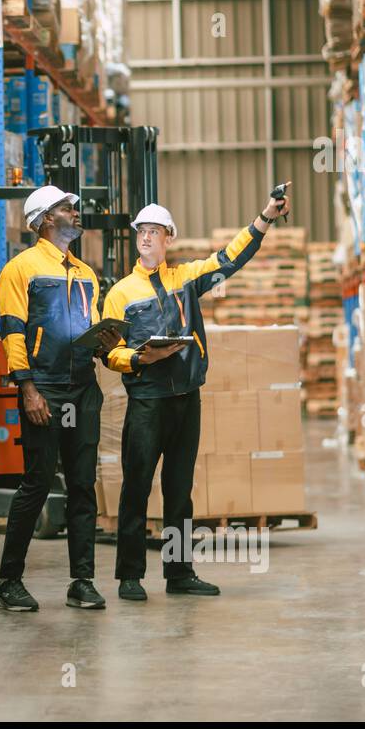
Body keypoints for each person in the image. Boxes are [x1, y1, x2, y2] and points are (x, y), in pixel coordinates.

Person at [101, 186, 292, 600]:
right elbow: (108, 350)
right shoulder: (120, 293)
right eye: (141, 232)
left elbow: (229, 259)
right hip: (147, 402)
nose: (146, 238)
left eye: (154, 231)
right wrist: (138, 360)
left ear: (169, 238)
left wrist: (265, 217)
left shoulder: (186, 278)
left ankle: (179, 573)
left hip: (187, 398)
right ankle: (129, 576)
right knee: (135, 487)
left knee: (180, 489)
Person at [0, 185, 123, 612]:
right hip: (44, 389)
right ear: (47, 219)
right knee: (37, 483)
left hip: (83, 387)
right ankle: (8, 581)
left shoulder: (85, 273)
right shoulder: (20, 269)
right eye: (68, 208)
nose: (76, 212)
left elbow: (87, 331)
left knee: (84, 486)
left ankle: (81, 581)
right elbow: (12, 331)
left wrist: (114, 347)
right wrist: (26, 387)